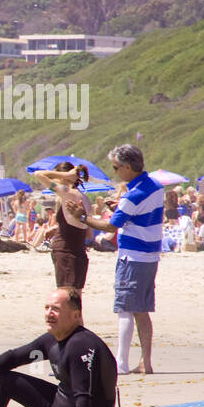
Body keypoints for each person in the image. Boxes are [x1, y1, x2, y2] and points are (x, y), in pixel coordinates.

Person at [64, 144, 162, 374]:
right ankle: (145, 362)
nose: (115, 171)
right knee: (142, 310)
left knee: (125, 309)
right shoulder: (155, 186)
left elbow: (110, 225)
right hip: (150, 256)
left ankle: (121, 363)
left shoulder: (133, 194)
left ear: (128, 167)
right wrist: (122, 208)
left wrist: (83, 217)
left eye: (116, 167)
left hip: (133, 256)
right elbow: (138, 213)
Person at [35, 163, 91, 288]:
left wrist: (66, 175)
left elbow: (39, 174)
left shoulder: (66, 192)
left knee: (65, 295)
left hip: (65, 252)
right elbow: (88, 232)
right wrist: (59, 229)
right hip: (80, 252)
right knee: (75, 298)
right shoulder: (85, 199)